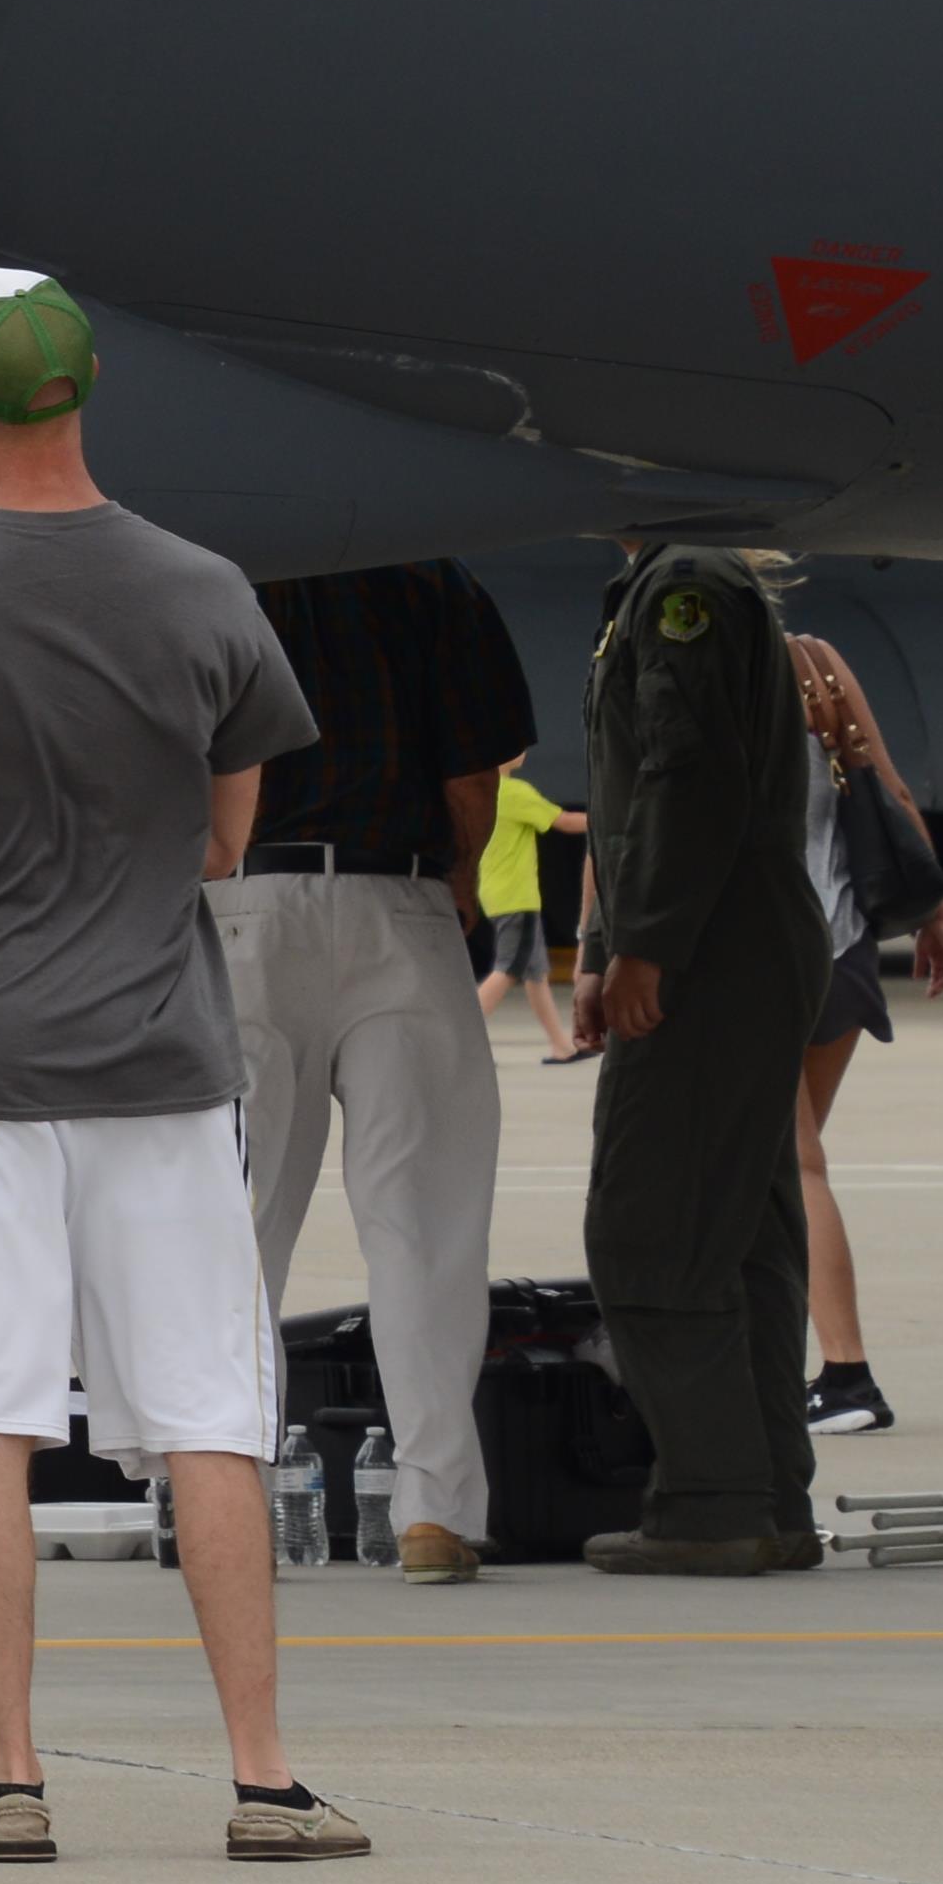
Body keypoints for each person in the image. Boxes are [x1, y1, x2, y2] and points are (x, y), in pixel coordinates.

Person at [0, 273, 352, 1864]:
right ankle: (262, 1778)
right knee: (209, 1410)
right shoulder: (205, 591)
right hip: (160, 1056)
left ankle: (9, 1777)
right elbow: (227, 836)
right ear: (91, 382)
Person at [222, 559, 532, 1587]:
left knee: (234, 1224)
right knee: (424, 1224)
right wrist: (451, 877)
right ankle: (434, 1510)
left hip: (242, 906)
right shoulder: (433, 578)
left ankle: (214, 1491)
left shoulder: (209, 575)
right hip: (397, 904)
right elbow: (471, 776)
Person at [575, 547, 824, 1568]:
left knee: (652, 1221)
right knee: (739, 1223)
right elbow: (646, 793)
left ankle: (713, 1503)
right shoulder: (686, 584)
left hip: (713, 943)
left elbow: (688, 771)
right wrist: (604, 945)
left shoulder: (685, 588)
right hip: (736, 935)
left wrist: (649, 943)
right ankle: (765, 1501)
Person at [788, 631, 943, 1444]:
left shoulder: (689, 664)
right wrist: (936, 916)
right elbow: (887, 786)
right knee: (784, 1165)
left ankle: (847, 1372)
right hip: (847, 950)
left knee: (789, 1163)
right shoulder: (816, 660)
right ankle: (798, 1361)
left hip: (766, 956)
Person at [481, 766, 592, 1054]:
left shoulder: (484, 792)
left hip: (496, 892)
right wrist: (607, 821)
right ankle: (462, 1040)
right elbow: (564, 821)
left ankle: (560, 1046)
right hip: (517, 897)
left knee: (535, 974)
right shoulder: (514, 792)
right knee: (507, 969)